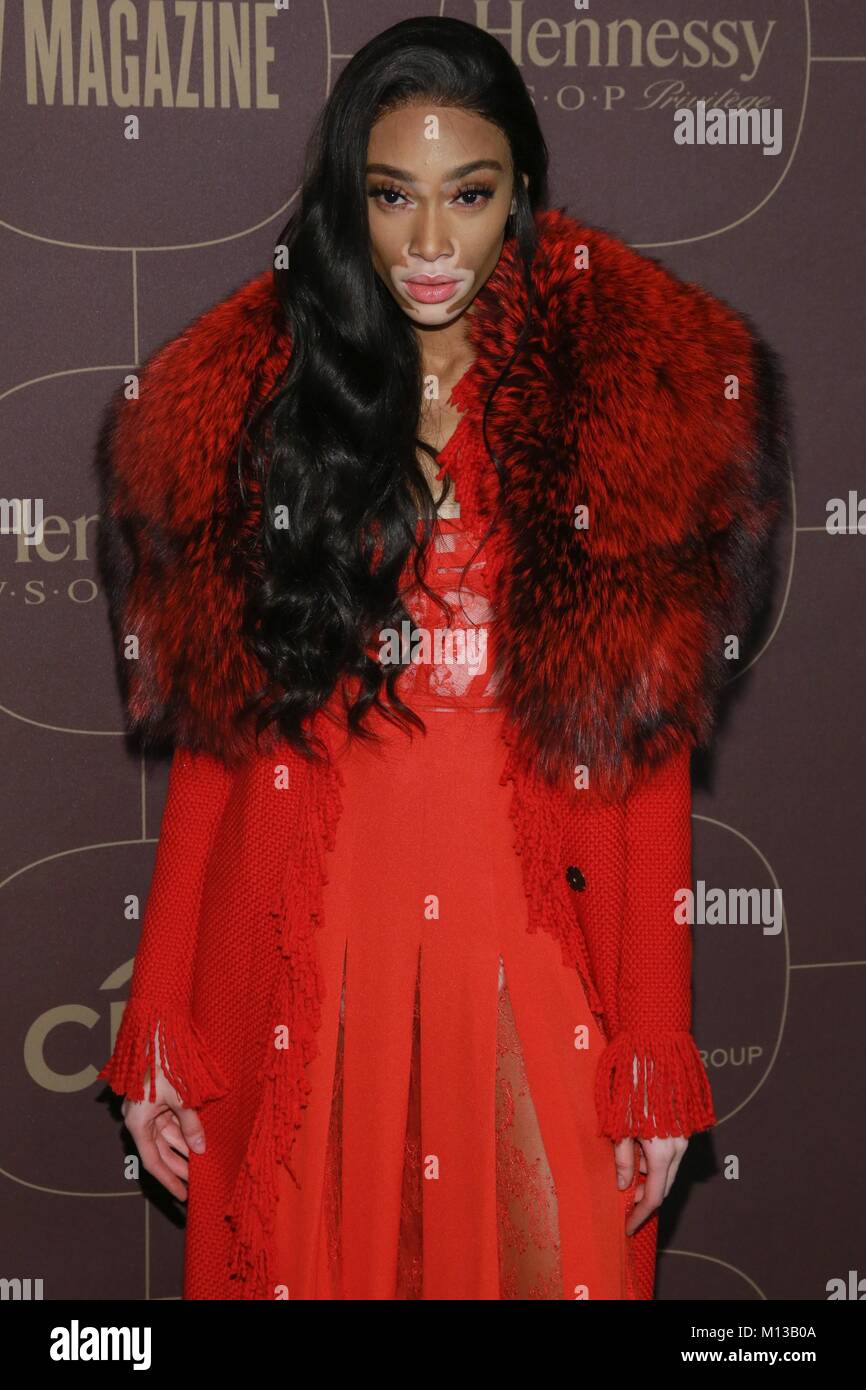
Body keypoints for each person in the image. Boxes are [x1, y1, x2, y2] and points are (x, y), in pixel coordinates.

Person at [96, 16, 788, 1300]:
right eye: (391, 197)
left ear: (519, 194)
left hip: (526, 955)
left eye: (465, 197)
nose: (427, 246)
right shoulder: (263, 412)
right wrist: (163, 1030)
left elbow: (644, 766)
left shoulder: (618, 417)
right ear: (346, 199)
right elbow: (214, 752)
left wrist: (650, 1050)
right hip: (312, 950)